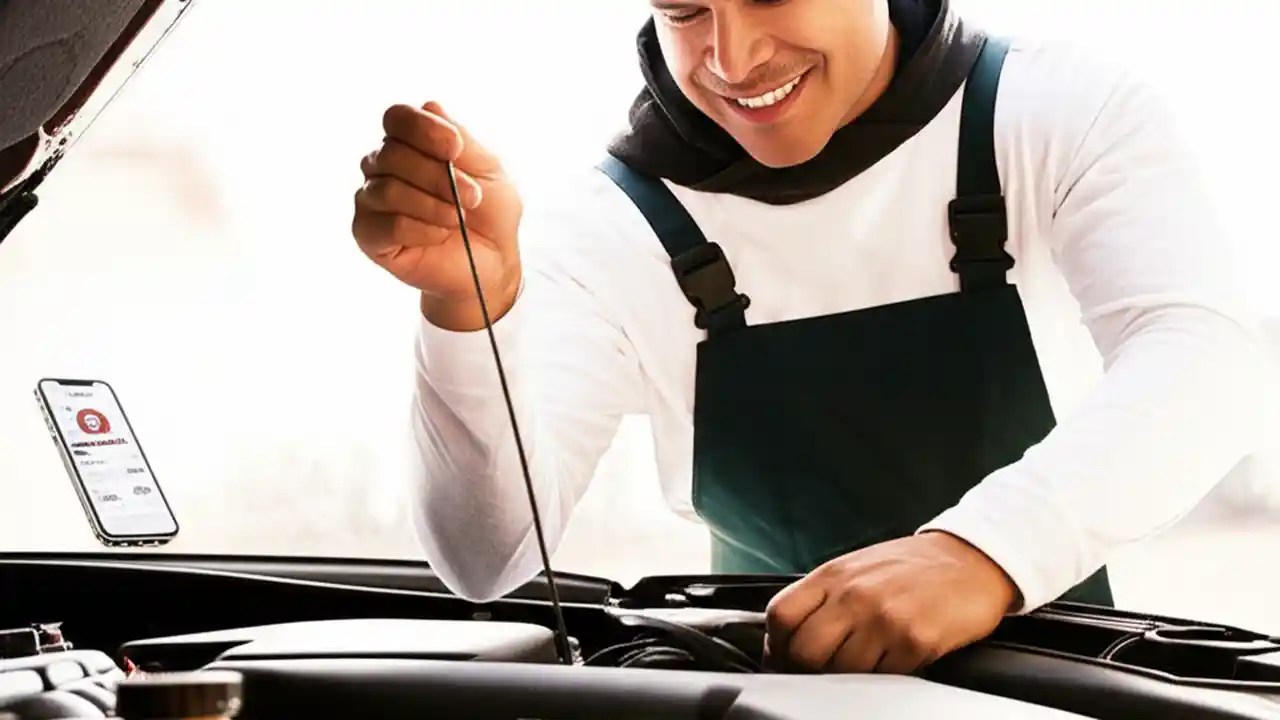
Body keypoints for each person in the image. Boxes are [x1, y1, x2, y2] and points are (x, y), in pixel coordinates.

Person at [350, 0, 1267, 674]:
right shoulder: (611, 225)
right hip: (772, 696)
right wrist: (470, 313)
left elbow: (1204, 356)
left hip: (1066, 687)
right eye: (685, 11)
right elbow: (483, 559)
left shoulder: (1057, 111)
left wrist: (987, 553)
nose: (732, 57)